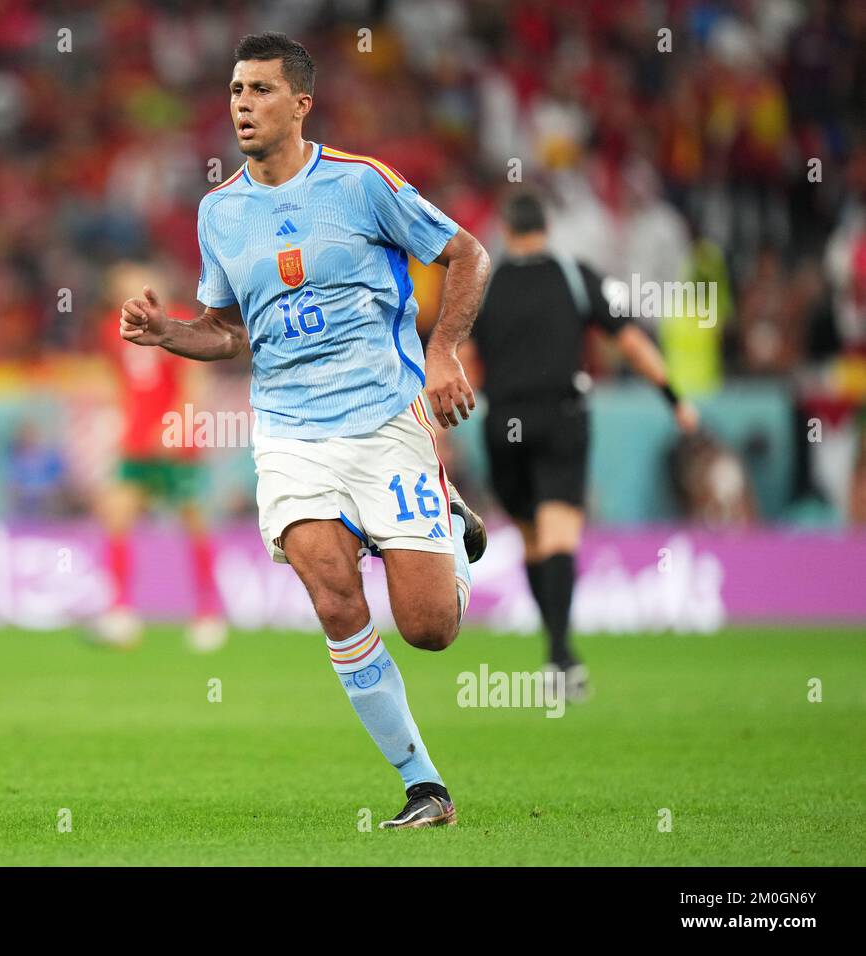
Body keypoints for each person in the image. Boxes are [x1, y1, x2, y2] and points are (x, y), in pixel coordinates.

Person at [119, 33, 490, 829]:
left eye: (258, 90)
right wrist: (167, 333)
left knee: (428, 629)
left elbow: (466, 253)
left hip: (386, 420)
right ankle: (425, 787)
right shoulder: (219, 212)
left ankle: (446, 523)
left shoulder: (362, 186)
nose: (241, 105)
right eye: (234, 90)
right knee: (332, 593)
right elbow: (227, 332)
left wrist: (444, 350)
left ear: (301, 102)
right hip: (290, 434)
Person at [461, 192, 699, 698]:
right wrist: (673, 396)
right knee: (560, 538)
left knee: (531, 539)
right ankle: (561, 655)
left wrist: (435, 421)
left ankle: (558, 650)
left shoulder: (486, 286)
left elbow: (462, 357)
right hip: (562, 418)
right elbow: (629, 340)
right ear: (547, 228)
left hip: (503, 424)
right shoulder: (576, 277)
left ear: (505, 230)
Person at [93, 262, 227, 653]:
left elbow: (195, 384)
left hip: (176, 445)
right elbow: (118, 383)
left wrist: (176, 427)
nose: (128, 291)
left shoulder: (180, 323)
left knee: (194, 521)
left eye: (135, 283)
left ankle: (207, 613)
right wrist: (120, 425)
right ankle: (120, 613)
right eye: (122, 286)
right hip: (135, 445)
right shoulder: (111, 329)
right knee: (116, 515)